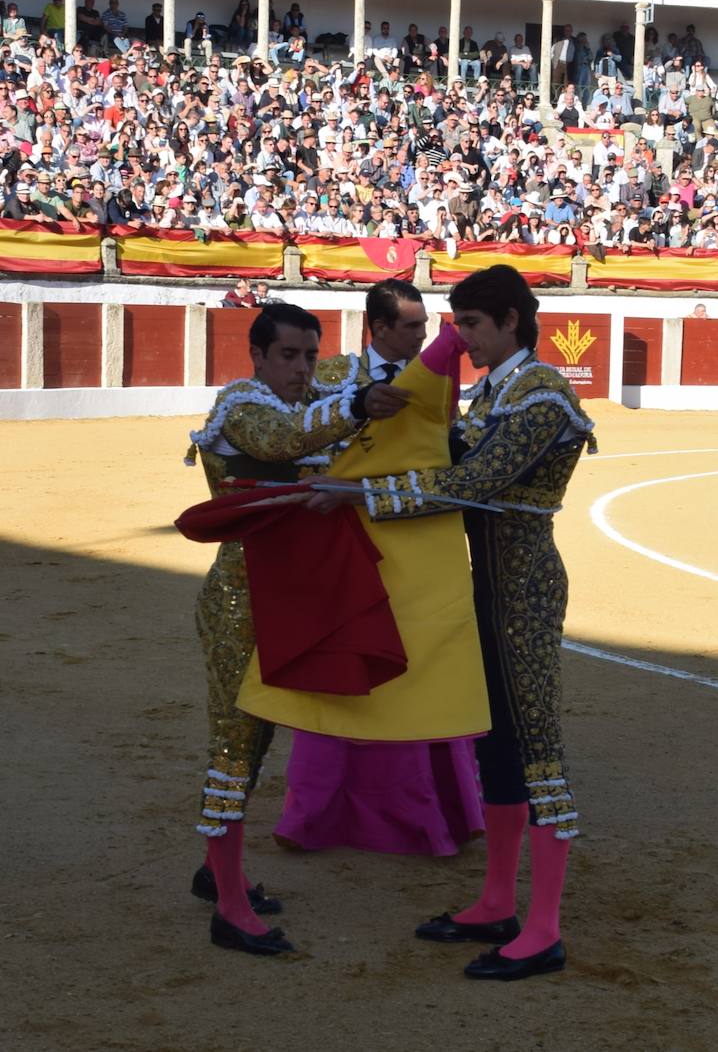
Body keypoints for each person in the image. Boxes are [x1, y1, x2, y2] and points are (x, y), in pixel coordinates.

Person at [309, 265, 596, 981]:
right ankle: (497, 901)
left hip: (524, 592)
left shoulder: (543, 395)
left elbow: (472, 482)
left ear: (508, 320)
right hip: (483, 588)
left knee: (536, 745)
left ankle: (545, 930)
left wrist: (360, 494)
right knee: (495, 743)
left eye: (469, 323)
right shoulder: (495, 390)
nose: (460, 338)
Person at [183, 303, 409, 956]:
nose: (303, 368)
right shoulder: (241, 403)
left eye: (310, 355)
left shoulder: (316, 400)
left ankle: (216, 872)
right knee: (235, 744)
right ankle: (230, 908)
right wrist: (359, 403)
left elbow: (352, 410)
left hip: (293, 600)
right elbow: (282, 441)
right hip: (240, 601)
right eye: (288, 356)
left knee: (256, 744)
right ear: (257, 356)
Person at [274, 280, 484, 856]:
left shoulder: (436, 380)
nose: (422, 336)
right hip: (343, 541)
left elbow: (438, 456)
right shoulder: (333, 376)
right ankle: (321, 810)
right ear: (380, 327)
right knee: (343, 659)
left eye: (425, 326)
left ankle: (422, 807)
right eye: (411, 326)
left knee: (418, 666)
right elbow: (296, 443)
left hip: (413, 543)